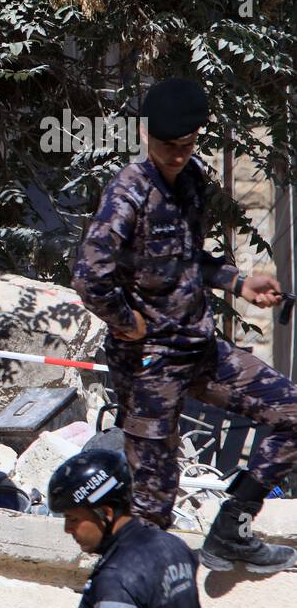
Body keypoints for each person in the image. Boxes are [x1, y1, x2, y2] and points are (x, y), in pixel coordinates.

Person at [72, 77, 297, 573]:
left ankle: (232, 529)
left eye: (187, 145)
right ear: (147, 137)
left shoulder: (192, 178)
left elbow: (187, 259)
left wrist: (239, 283)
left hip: (200, 348)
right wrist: (125, 322)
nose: (176, 156)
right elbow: (89, 274)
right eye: (167, 146)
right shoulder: (127, 194)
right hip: (150, 364)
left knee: (290, 411)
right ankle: (135, 597)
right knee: (154, 503)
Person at [49, 450, 203, 608]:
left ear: (106, 513)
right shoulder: (174, 547)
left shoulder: (116, 579)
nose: (68, 529)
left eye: (73, 518)